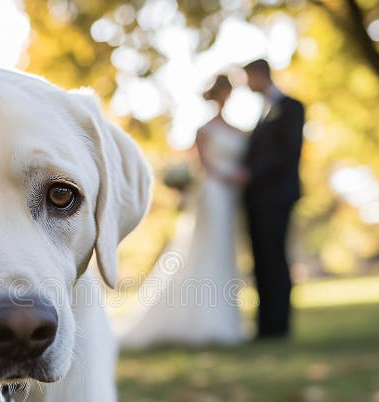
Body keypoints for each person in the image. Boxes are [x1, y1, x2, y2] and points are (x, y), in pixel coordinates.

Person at [118, 75, 248, 348]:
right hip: (213, 192)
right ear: (219, 93)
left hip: (232, 197)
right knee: (206, 250)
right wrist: (229, 177)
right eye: (227, 91)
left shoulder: (239, 130)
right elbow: (203, 165)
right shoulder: (204, 130)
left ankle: (226, 320)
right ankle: (205, 322)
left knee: (225, 252)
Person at [236, 59, 304, 340]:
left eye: (248, 78)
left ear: (260, 75)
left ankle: (280, 325)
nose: (246, 85)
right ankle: (265, 326)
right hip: (255, 200)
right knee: (261, 261)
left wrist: (251, 173)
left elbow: (288, 153)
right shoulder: (261, 113)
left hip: (277, 197)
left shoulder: (291, 107)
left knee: (275, 257)